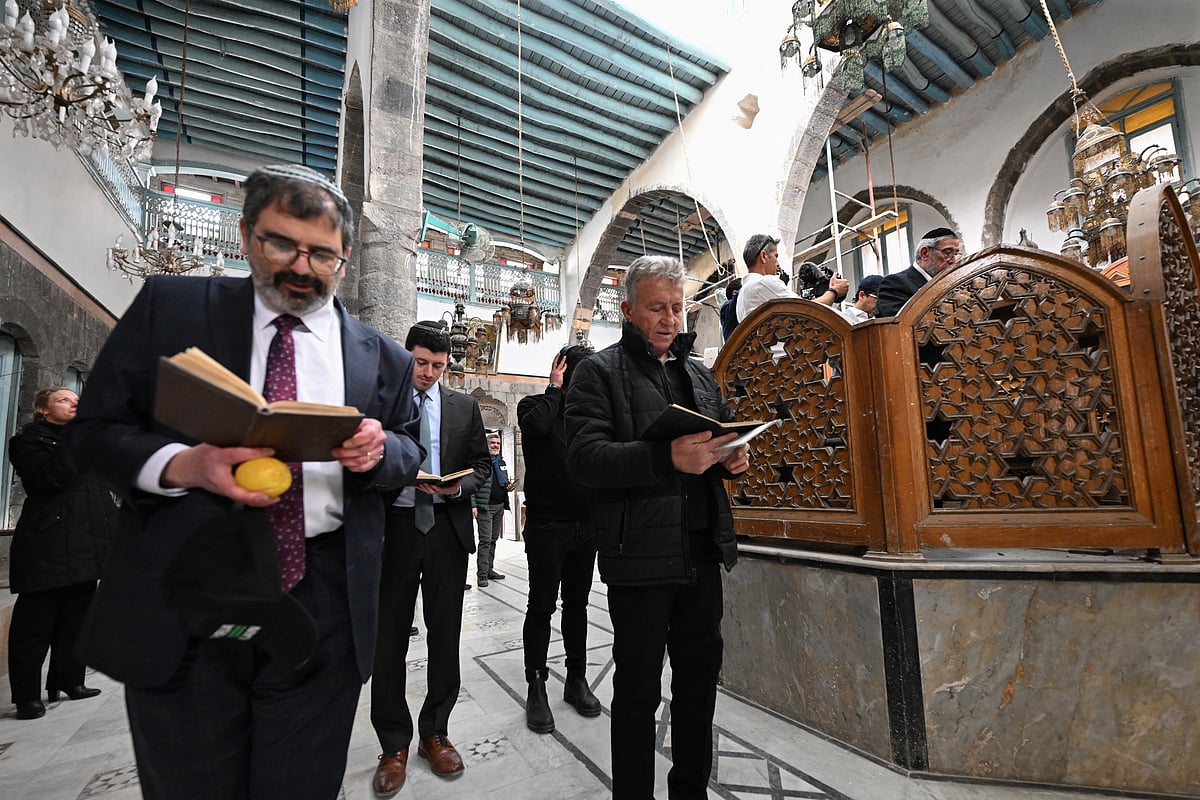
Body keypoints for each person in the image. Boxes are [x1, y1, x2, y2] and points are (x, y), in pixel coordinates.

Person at [65, 164, 425, 800]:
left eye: (323, 254)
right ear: (245, 233)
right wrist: (185, 465)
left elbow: (407, 446)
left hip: (320, 601)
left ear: (344, 257)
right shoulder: (172, 310)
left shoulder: (382, 356)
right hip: (190, 592)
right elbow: (92, 432)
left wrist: (380, 449)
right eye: (281, 243)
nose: (302, 267)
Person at [564, 255, 751, 800]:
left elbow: (716, 442)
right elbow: (584, 458)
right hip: (640, 559)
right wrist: (664, 458)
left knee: (698, 690)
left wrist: (731, 458)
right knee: (638, 696)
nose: (670, 319)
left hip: (702, 553)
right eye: (656, 308)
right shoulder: (599, 373)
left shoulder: (697, 374)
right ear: (627, 310)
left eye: (676, 307)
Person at [370, 321, 491, 796]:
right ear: (408, 358)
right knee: (390, 639)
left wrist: (459, 485)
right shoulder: (384, 403)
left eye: (438, 366)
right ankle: (393, 743)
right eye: (421, 363)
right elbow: (366, 461)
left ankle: (435, 732)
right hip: (396, 529)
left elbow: (483, 464)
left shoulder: (463, 406)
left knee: (445, 634)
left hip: (445, 529)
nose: (428, 373)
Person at [7, 387, 116, 721]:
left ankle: (69, 682)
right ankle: (27, 696)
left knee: (77, 620)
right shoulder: (26, 442)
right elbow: (48, 480)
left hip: (86, 541)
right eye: (64, 400)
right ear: (43, 410)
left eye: (77, 400)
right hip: (48, 543)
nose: (74, 404)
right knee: (34, 626)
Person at [517, 344, 601, 735]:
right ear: (563, 370)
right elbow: (534, 431)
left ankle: (576, 678)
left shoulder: (592, 414)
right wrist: (554, 389)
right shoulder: (536, 405)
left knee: (577, 606)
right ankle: (536, 685)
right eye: (578, 375)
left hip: (586, 526)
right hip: (548, 526)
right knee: (541, 606)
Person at [735, 233, 849, 322]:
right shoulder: (763, 283)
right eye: (776, 256)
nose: (777, 264)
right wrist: (834, 291)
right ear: (764, 256)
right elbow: (809, 310)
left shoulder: (742, 295)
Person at [875, 227, 962, 317]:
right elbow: (900, 325)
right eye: (947, 253)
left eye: (955, 254)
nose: (953, 261)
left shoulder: (950, 286)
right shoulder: (895, 284)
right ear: (924, 253)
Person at [471, 432, 513, 587]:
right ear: (486, 445)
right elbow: (472, 484)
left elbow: (502, 482)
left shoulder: (501, 462)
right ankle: (482, 574)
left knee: (493, 540)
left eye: (498, 443)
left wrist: (508, 486)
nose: (496, 445)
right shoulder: (480, 463)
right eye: (493, 443)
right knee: (485, 540)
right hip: (485, 507)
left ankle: (490, 570)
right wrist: (473, 505)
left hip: (499, 505)